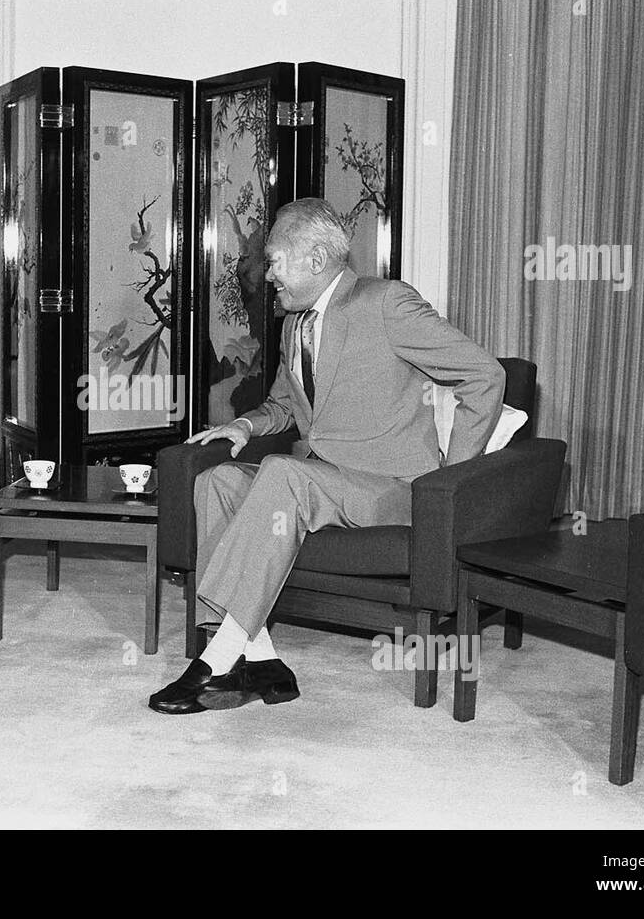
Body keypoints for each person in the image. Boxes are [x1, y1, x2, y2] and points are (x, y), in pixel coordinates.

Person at [149, 198, 505, 714]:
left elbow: (485, 376)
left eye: (272, 260)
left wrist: (452, 479)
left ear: (315, 260)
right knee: (218, 481)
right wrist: (245, 424)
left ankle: (218, 660)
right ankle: (262, 660)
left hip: (392, 489)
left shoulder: (387, 303)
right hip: (322, 482)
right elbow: (283, 405)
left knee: (283, 474)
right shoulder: (295, 325)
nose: (265, 273)